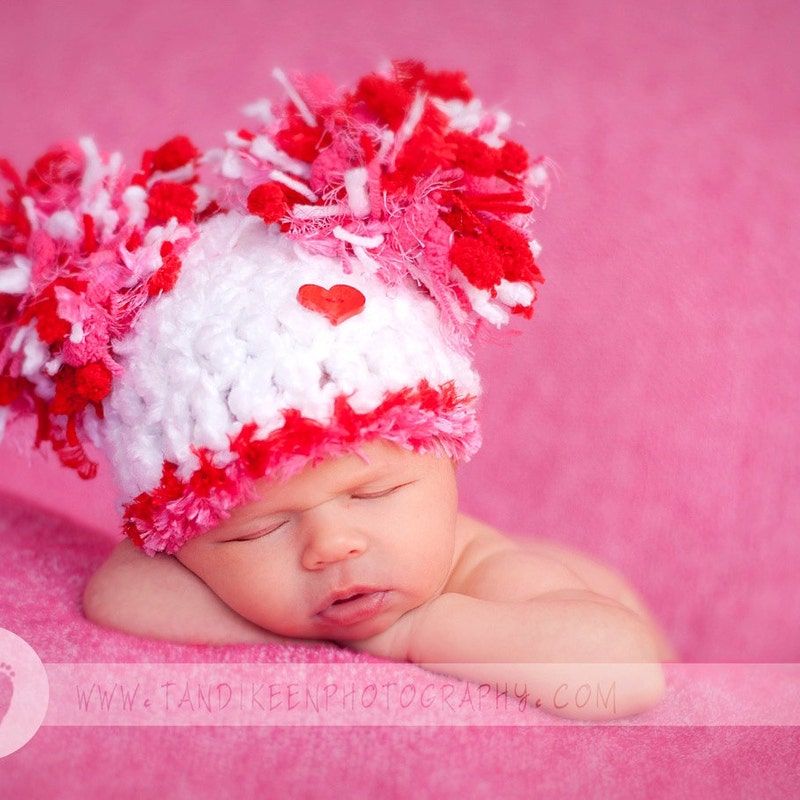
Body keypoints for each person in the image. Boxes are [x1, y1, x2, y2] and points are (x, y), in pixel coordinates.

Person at [0, 61, 674, 720]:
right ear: (179, 541)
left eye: (373, 493)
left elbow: (628, 673)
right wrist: (309, 633)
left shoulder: (487, 576)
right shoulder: (213, 565)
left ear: (443, 459)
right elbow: (120, 594)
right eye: (257, 531)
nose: (330, 545)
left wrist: (408, 635)